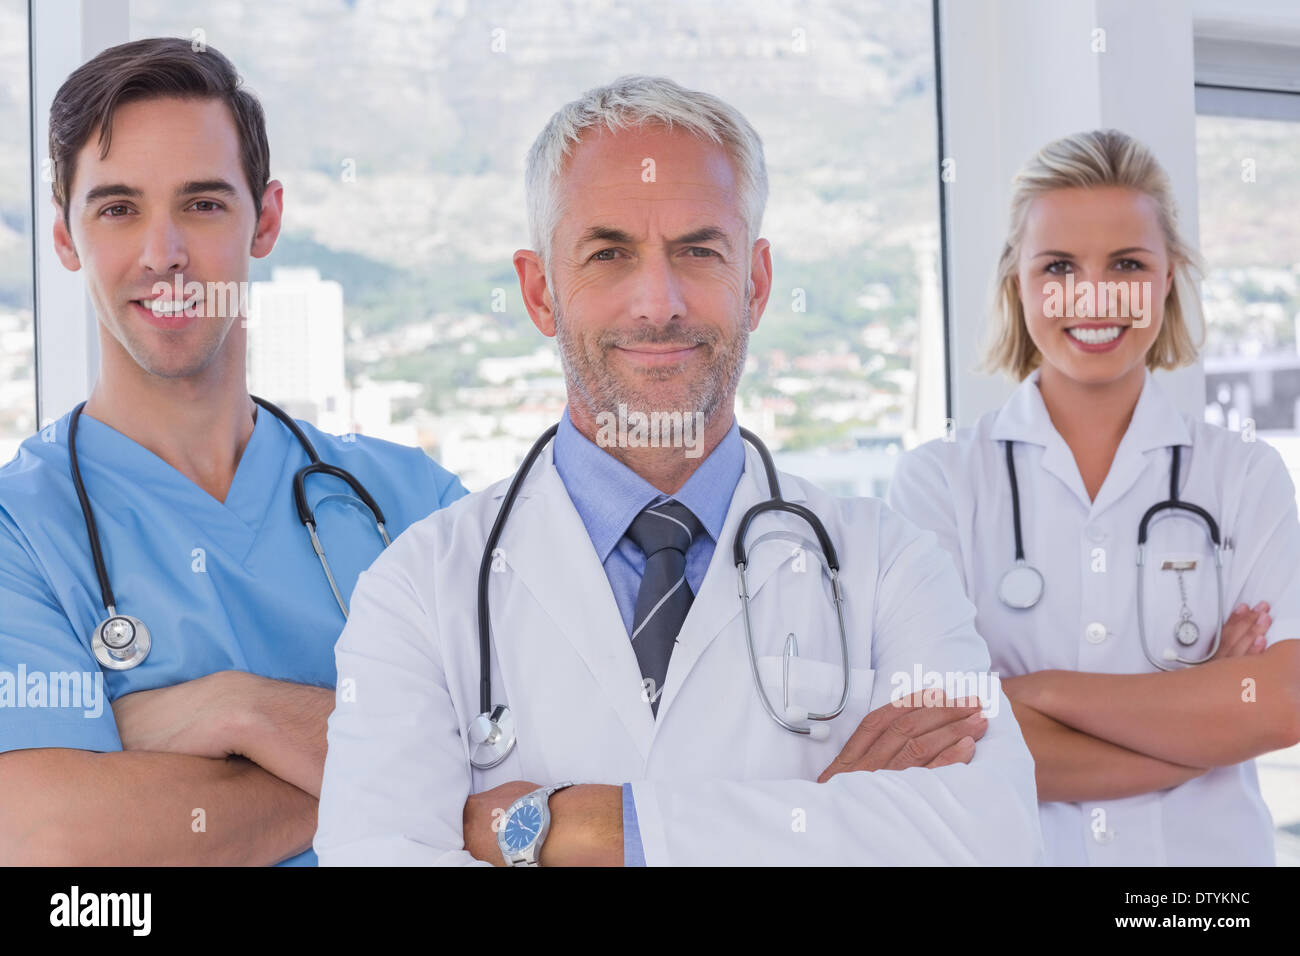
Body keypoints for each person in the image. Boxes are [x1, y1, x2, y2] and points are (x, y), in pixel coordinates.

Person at [313, 75, 1043, 866]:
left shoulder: (891, 565)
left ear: (755, 283)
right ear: (539, 292)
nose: (657, 302)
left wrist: (582, 830)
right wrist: (827, 814)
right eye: (608, 254)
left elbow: (991, 838)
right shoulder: (420, 590)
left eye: (698, 251)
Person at [0, 38, 467, 866]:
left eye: (204, 204)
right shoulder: (18, 532)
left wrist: (232, 709)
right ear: (65, 237)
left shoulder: (413, 504)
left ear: (268, 218)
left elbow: (514, 772)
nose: (163, 253)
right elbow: (48, 837)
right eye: (117, 208)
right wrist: (387, 773)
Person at [889, 129, 1300, 866]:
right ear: (1017, 280)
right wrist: (1201, 714)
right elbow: (941, 737)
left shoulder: (1244, 476)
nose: (1094, 294)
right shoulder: (940, 483)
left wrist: (1035, 693)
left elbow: (1281, 702)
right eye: (1058, 266)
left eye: (1128, 264)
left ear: (1169, 275)